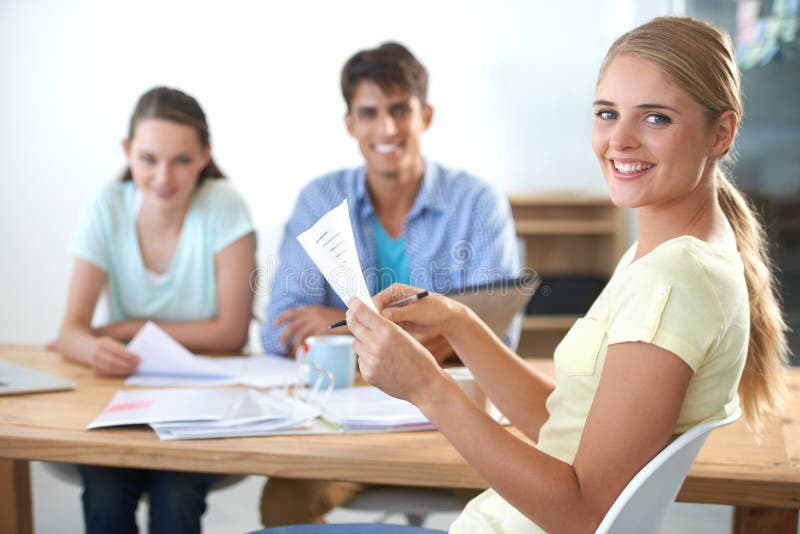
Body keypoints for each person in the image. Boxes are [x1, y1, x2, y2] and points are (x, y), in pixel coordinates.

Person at [258, 16, 789, 534]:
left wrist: (428, 386)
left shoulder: (673, 282)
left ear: (721, 132)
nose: (619, 140)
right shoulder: (665, 261)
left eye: (655, 118)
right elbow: (563, 426)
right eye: (607, 113)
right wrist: (460, 321)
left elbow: (585, 516)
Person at [258, 42, 520, 526]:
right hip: (343, 426)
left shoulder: (478, 203)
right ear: (350, 123)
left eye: (400, 109)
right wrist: (439, 331)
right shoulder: (320, 198)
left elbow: (495, 336)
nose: (387, 129)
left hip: (454, 425)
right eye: (370, 113)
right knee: (285, 502)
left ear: (426, 115)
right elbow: (280, 330)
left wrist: (336, 326)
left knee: (519, 505)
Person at [56, 86, 256, 534]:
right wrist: (93, 351)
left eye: (181, 160)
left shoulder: (224, 205)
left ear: (205, 156)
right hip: (124, 396)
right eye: (148, 159)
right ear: (127, 152)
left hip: (202, 400)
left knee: (177, 495)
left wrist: (129, 327)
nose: (163, 176)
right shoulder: (105, 207)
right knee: (105, 491)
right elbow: (70, 330)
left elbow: (230, 332)